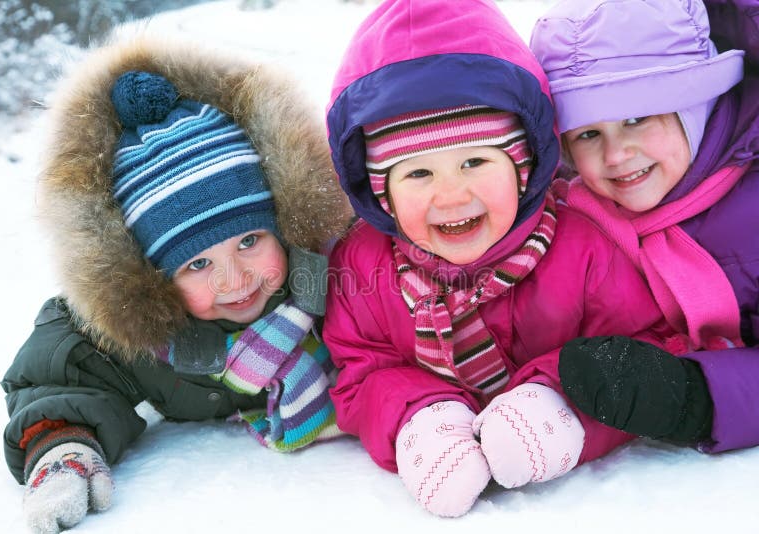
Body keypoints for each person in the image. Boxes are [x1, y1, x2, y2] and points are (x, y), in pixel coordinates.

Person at [322, 0, 685, 519]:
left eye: (474, 161)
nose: (451, 196)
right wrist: (417, 416)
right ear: (381, 195)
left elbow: (651, 345)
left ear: (523, 164)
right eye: (417, 174)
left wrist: (563, 403)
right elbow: (360, 368)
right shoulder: (361, 267)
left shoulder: (584, 245)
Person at [1, 37, 353, 534]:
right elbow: (57, 376)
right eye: (196, 264)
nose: (235, 279)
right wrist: (64, 449)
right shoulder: (138, 337)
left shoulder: (335, 273)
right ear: (151, 279)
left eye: (251, 240)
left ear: (285, 223)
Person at [530, 0, 759, 453]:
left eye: (636, 119)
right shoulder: (575, 211)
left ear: (695, 106)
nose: (616, 156)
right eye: (588, 134)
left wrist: (696, 398)